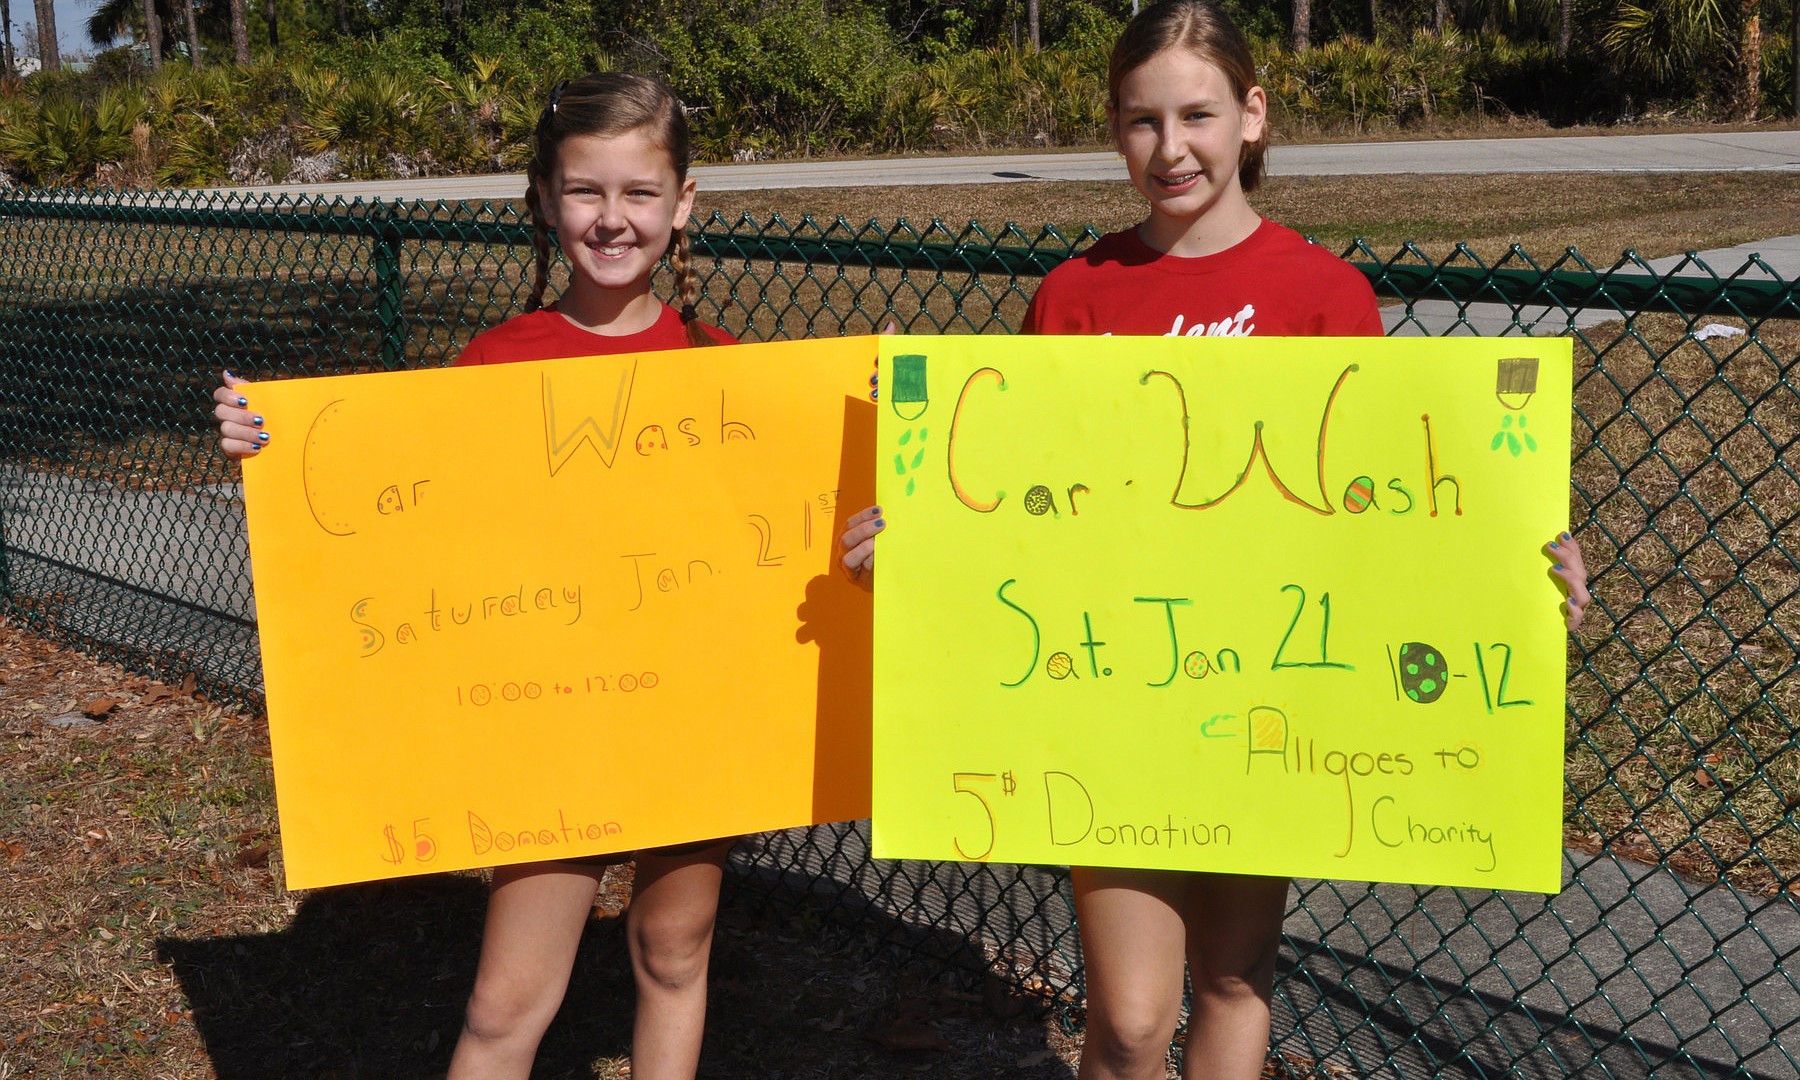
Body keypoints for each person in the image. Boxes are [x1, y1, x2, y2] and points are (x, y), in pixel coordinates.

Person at [837, 2, 1592, 1078]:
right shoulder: (1077, 296)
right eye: (1143, 122)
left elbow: (1385, 520)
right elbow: (1013, 509)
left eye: (1197, 115)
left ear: (1252, 115)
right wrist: (915, 554)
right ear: (1114, 128)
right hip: (1115, 705)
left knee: (1234, 987)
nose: (1171, 147)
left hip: (1269, 705)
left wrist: (1518, 579)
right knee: (1135, 1020)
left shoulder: (1325, 297)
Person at [214, 73, 738, 1080]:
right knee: (506, 1003)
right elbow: (397, 525)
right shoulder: (493, 365)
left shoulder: (730, 368)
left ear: (683, 203)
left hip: (686, 722)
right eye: (586, 191)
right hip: (548, 721)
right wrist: (266, 452)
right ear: (543, 200)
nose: (613, 218)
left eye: (640, 192)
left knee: (674, 951)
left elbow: (770, 541)